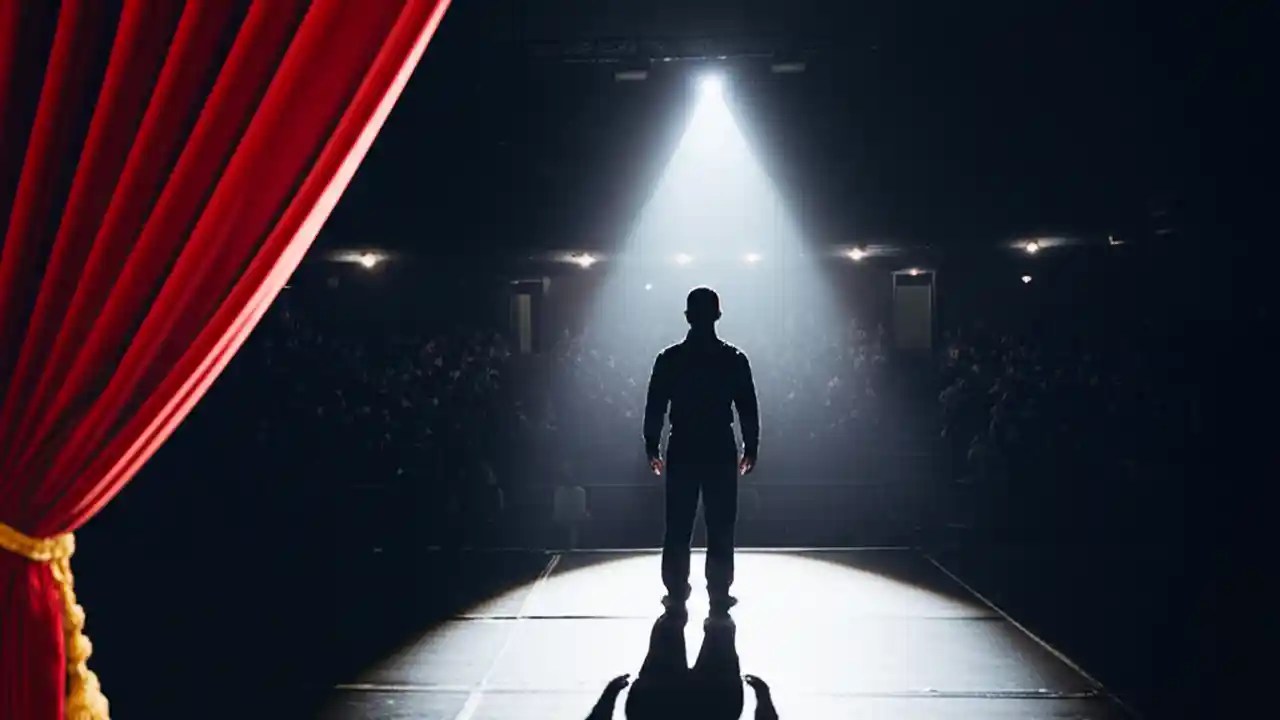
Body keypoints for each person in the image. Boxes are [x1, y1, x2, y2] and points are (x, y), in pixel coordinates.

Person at [643, 287, 760, 613]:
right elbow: (747, 407)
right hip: (718, 444)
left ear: (688, 317)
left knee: (678, 521)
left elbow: (655, 406)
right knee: (721, 521)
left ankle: (677, 587)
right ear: (717, 316)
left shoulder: (670, 360)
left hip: (683, 444)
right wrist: (751, 445)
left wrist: (652, 444)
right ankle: (719, 589)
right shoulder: (733, 359)